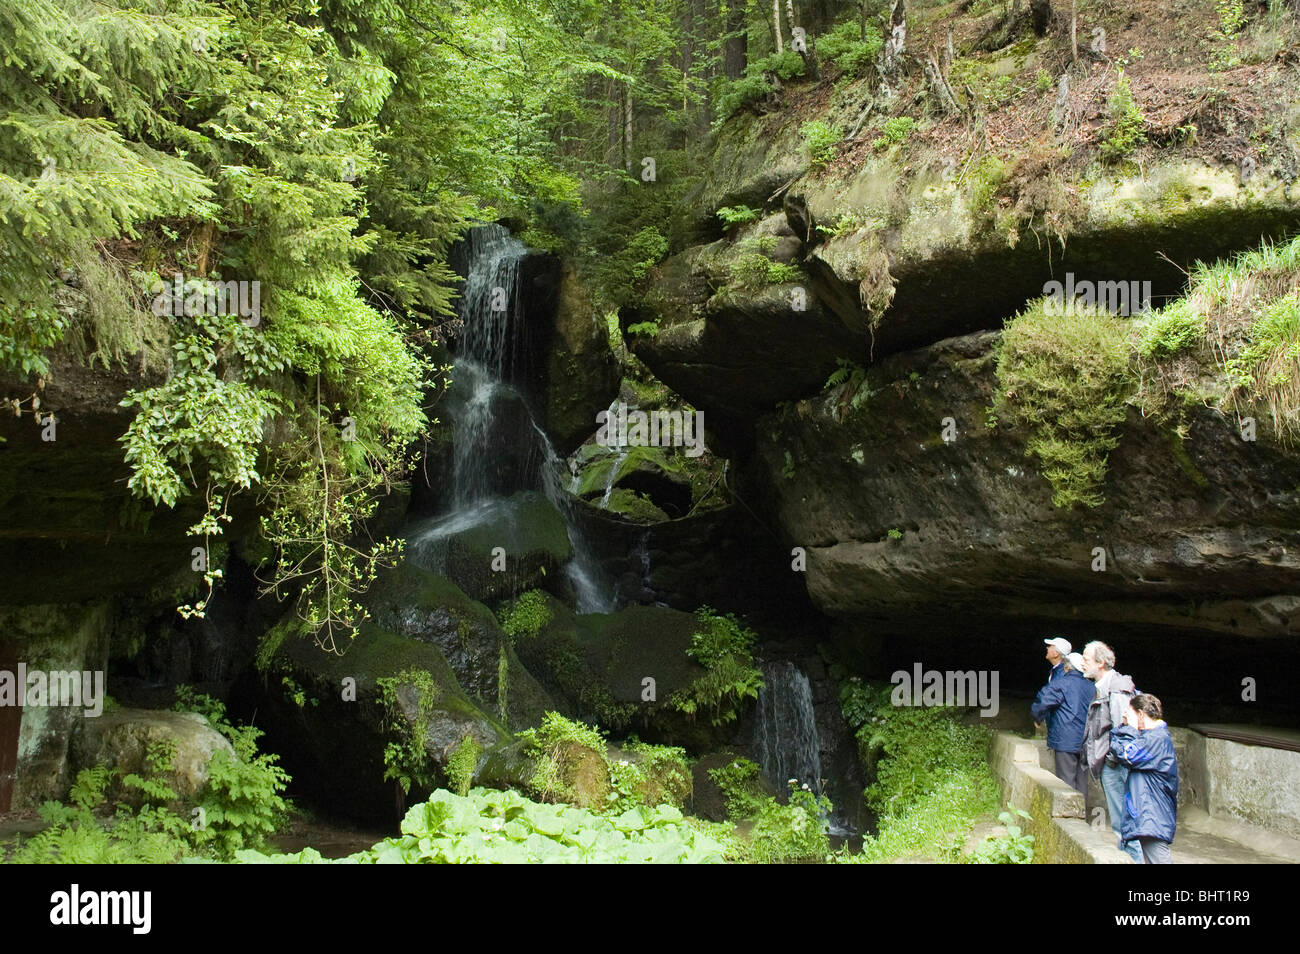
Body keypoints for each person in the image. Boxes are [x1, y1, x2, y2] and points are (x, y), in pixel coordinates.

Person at [1080, 640, 1141, 862]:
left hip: (1117, 767)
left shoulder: (1117, 690)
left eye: (1086, 659)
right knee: (1121, 820)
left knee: (1124, 821)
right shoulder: (1105, 687)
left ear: (1101, 663)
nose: (1082, 664)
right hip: (1112, 764)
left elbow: (1123, 730)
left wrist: (1111, 759)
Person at [1110, 694, 1178, 864]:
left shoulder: (1156, 739)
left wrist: (1128, 728)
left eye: (1130, 714)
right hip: (1150, 815)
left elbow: (1125, 754)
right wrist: (1127, 728)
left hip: (1152, 816)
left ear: (1140, 715)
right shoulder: (1150, 737)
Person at [1031, 645, 1094, 794]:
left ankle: (1069, 815)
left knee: (1066, 781)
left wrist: (1037, 717)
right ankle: (1082, 814)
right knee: (1081, 780)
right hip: (1086, 740)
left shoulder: (1061, 684)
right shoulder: (1092, 687)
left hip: (1065, 738)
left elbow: (1043, 700)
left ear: (1067, 668)